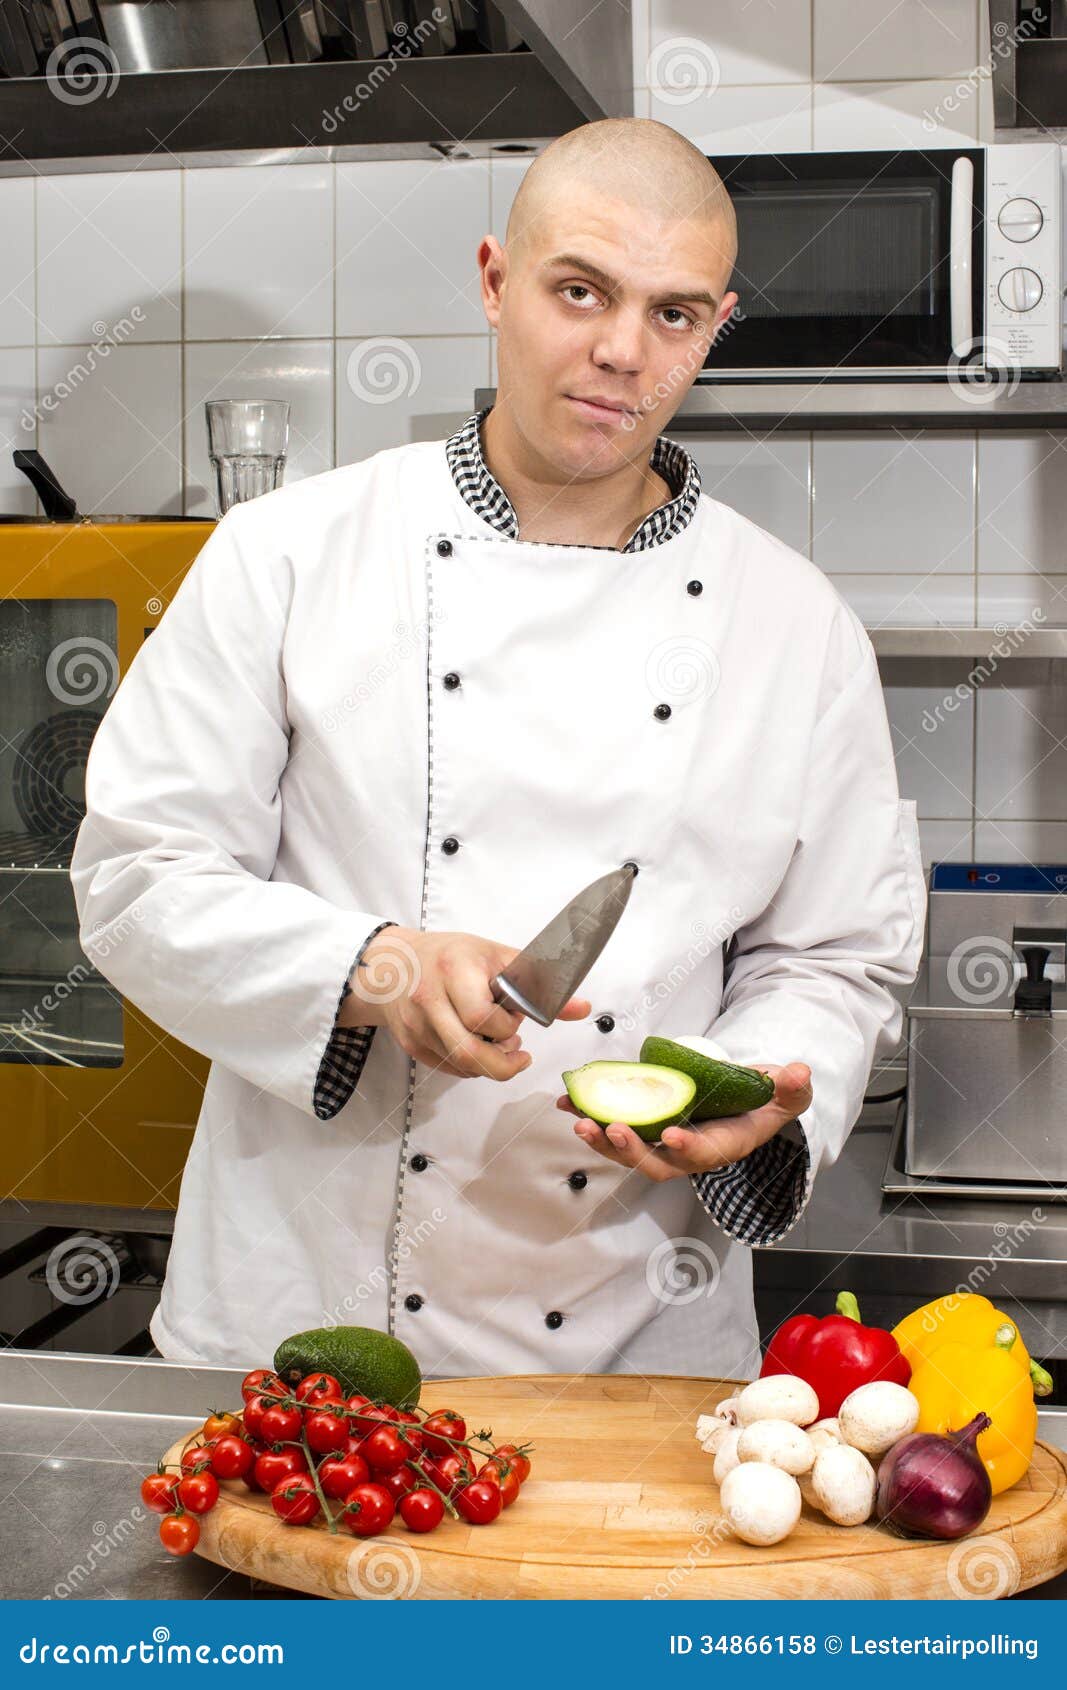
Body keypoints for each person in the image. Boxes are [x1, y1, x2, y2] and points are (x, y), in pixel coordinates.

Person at [70, 118, 925, 1380]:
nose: (620, 350)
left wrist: (747, 1089)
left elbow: (834, 953)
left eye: (674, 314)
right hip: (310, 1316)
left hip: (638, 1339)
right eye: (579, 290)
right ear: (493, 279)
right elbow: (137, 877)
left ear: (713, 327)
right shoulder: (291, 553)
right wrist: (370, 966)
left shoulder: (794, 622)